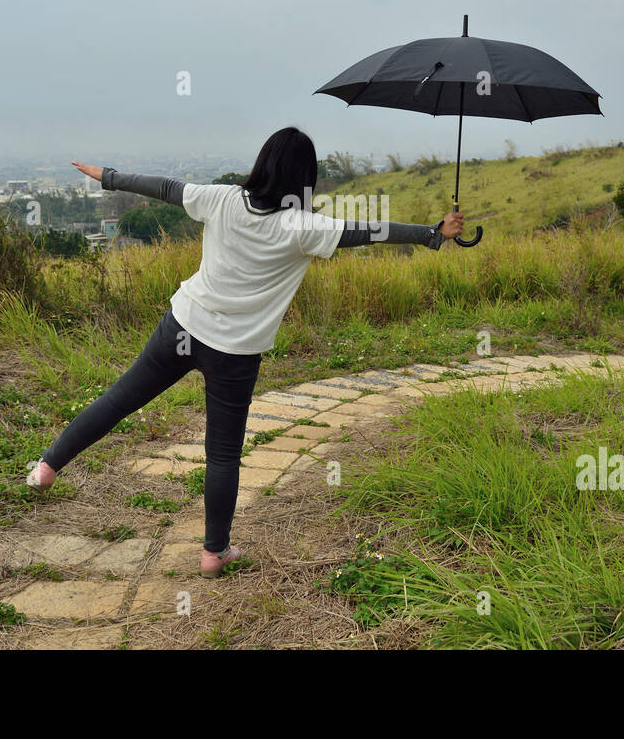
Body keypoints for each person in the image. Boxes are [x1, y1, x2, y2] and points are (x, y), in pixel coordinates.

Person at [27, 126, 465, 578]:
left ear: (262, 163)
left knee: (120, 400)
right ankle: (214, 553)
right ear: (304, 179)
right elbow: (370, 231)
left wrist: (109, 176)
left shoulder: (222, 199)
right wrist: (433, 233)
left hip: (183, 325)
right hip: (234, 355)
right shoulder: (303, 226)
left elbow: (165, 189)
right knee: (222, 454)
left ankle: (47, 466)